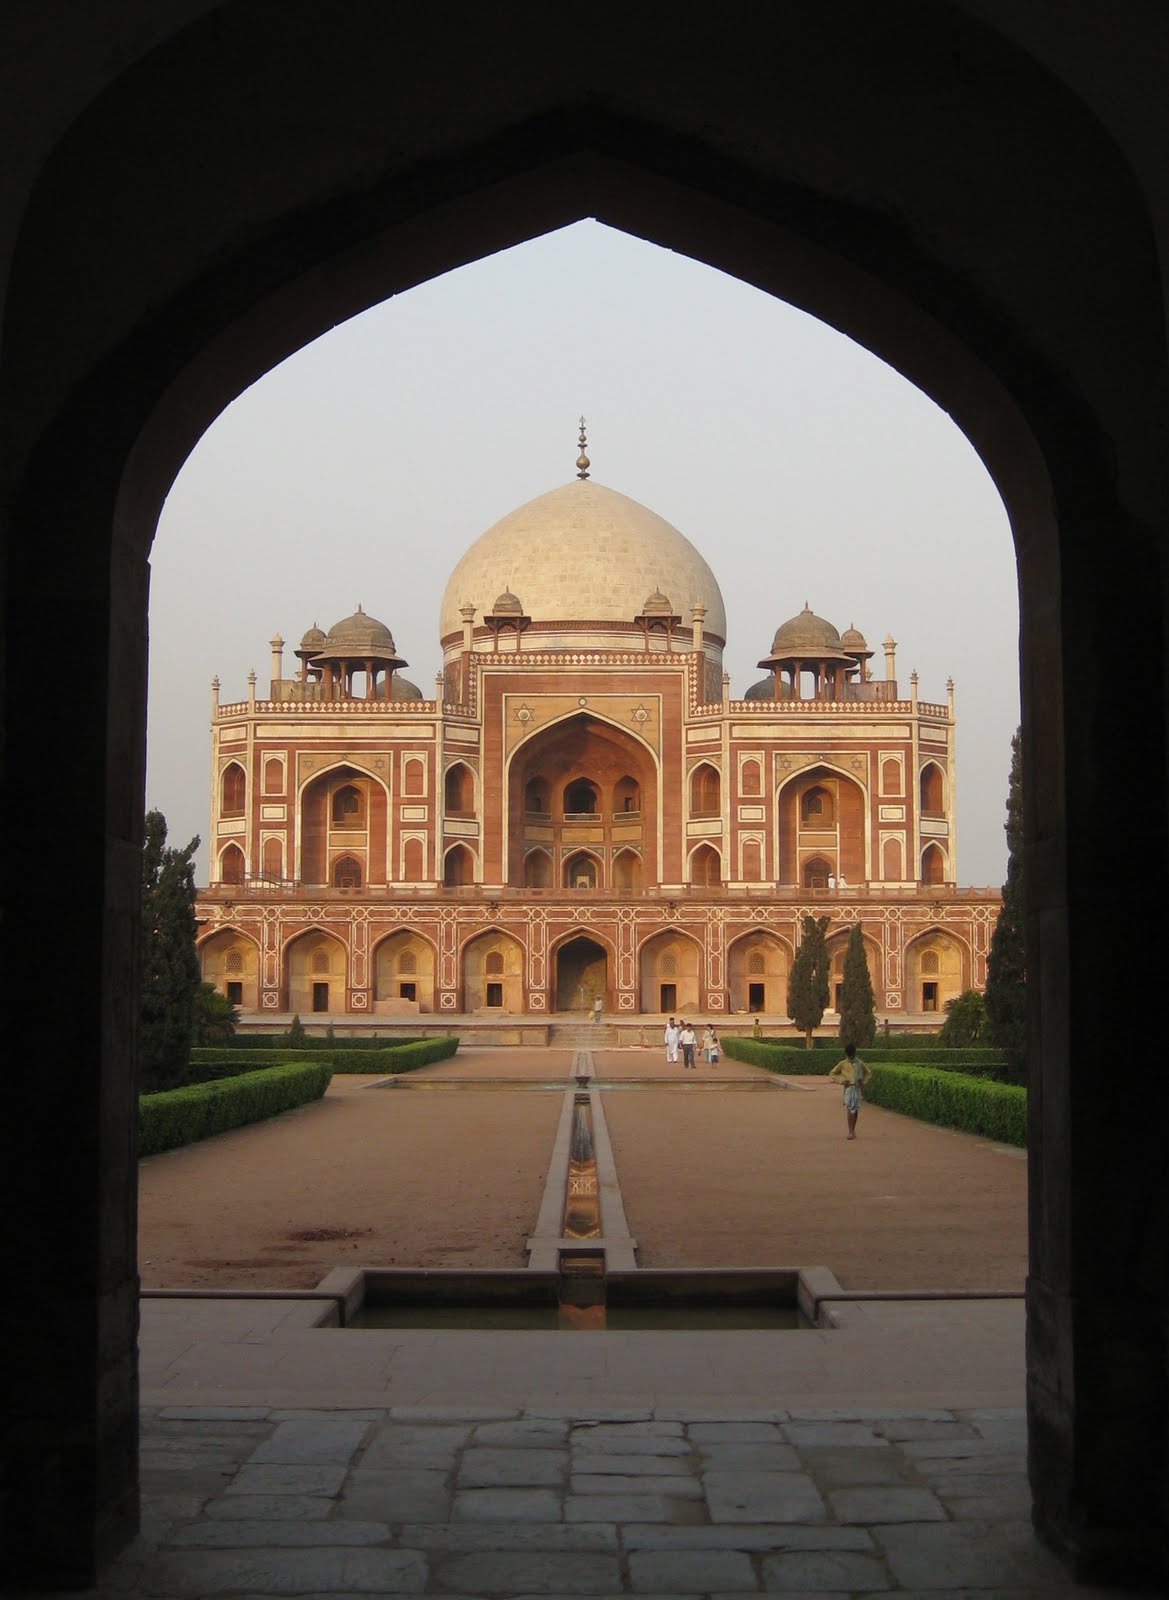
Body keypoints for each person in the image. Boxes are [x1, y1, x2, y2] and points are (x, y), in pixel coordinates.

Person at [829, 1042, 871, 1139]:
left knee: (855, 1109)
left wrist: (863, 1081)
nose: (851, 1058)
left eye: (852, 1056)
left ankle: (853, 1130)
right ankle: (850, 1131)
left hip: (857, 1088)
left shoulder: (860, 1063)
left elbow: (868, 1073)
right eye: (849, 1056)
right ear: (847, 1054)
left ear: (855, 1053)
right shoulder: (842, 1063)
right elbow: (832, 1073)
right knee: (849, 1108)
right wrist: (841, 1081)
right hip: (848, 1088)